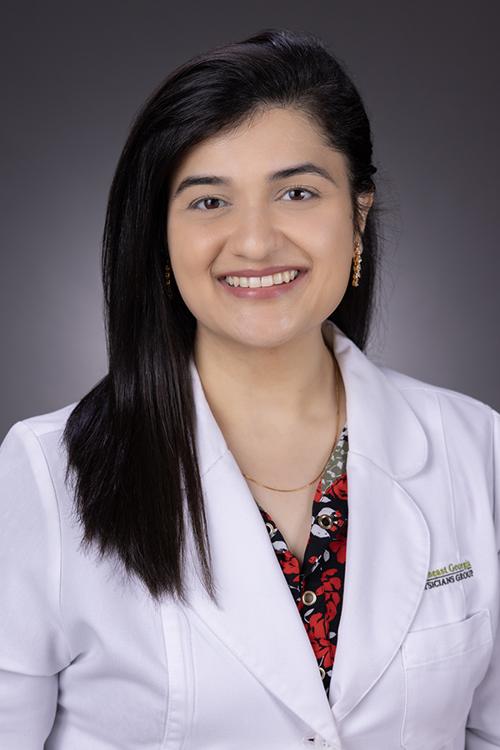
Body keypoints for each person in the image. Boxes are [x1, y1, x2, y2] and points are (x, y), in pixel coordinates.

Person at [0, 27, 498, 750]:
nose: (257, 242)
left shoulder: (476, 449)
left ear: (357, 216)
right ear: (160, 236)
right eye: (209, 202)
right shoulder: (47, 476)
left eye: (297, 192)